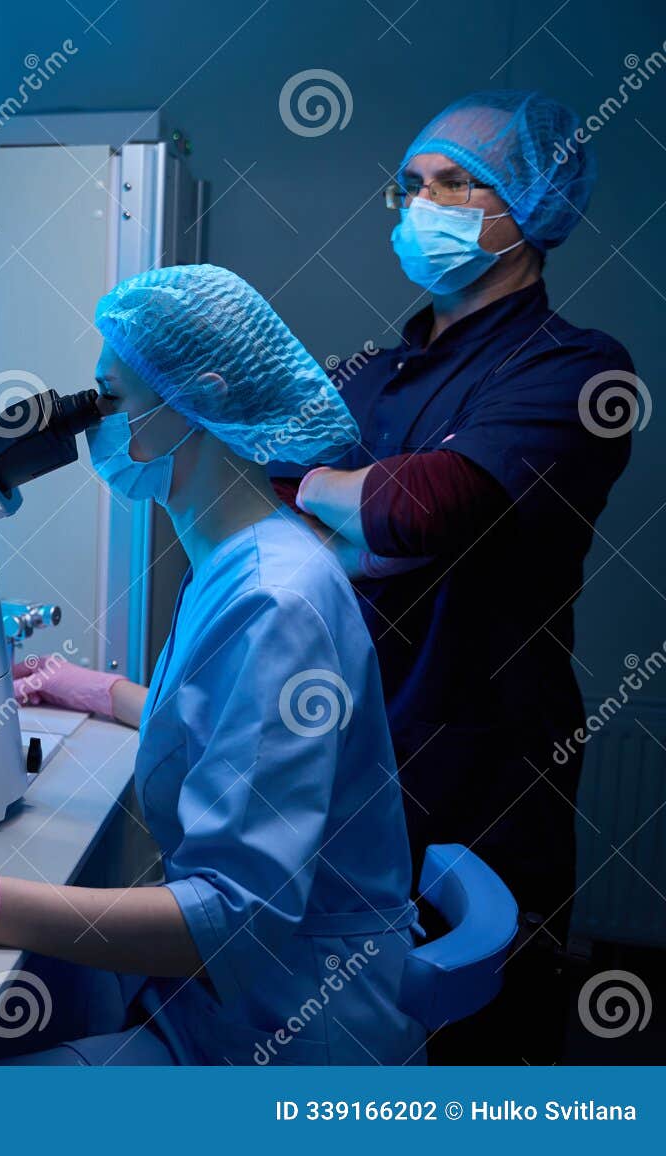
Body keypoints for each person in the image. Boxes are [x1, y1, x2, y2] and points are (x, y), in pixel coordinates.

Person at [0, 265, 426, 1066]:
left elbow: (228, 919)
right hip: (231, 1005)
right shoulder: (245, 557)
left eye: (108, 397)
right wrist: (100, 691)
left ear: (204, 397)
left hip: (281, 1035)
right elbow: (226, 727)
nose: (92, 426)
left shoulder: (272, 599)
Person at [268, 92, 637, 1063]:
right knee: (339, 1036)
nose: (421, 203)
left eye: (455, 183)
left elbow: (415, 510)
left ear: (525, 208)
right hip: (351, 744)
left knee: (471, 1036)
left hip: (482, 769)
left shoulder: (576, 370)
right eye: (410, 185)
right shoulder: (373, 372)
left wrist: (351, 503)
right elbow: (264, 492)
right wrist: (338, 504)